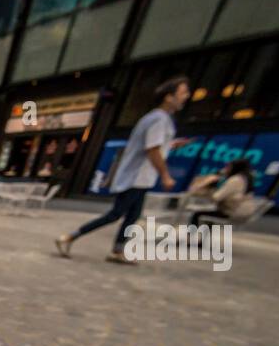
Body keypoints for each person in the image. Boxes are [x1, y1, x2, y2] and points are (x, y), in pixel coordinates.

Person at [55, 75, 192, 264]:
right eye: (183, 92)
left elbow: (155, 146)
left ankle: (117, 251)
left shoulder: (155, 118)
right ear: (169, 97)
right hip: (137, 176)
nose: (187, 96)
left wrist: (172, 144)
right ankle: (70, 237)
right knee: (116, 214)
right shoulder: (159, 120)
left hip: (141, 177)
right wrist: (165, 175)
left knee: (132, 216)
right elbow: (152, 149)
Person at [187, 158, 256, 227]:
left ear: (234, 168)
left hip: (230, 213)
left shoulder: (235, 180)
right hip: (239, 213)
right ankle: (203, 236)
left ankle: (191, 236)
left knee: (198, 214)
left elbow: (216, 197)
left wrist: (209, 184)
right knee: (210, 215)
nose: (225, 169)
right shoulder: (245, 179)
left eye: (228, 167)